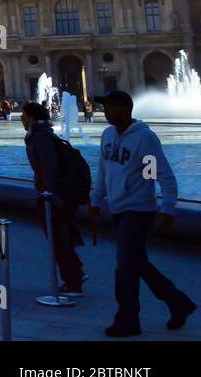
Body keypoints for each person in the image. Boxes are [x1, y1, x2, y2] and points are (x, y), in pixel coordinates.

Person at [91, 91, 196, 337]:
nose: (104, 110)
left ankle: (128, 320)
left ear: (126, 108)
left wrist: (167, 207)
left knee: (125, 267)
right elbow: (103, 170)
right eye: (104, 106)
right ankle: (178, 303)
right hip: (118, 208)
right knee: (139, 264)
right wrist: (96, 201)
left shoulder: (144, 139)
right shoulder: (107, 135)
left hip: (138, 211)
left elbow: (162, 174)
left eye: (109, 106)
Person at [21, 101, 85, 295]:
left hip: (52, 196)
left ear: (31, 117)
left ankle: (73, 282)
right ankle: (76, 273)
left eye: (24, 115)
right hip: (54, 194)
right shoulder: (43, 134)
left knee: (58, 240)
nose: (21, 119)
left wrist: (50, 194)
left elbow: (50, 166)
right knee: (60, 238)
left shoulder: (40, 137)